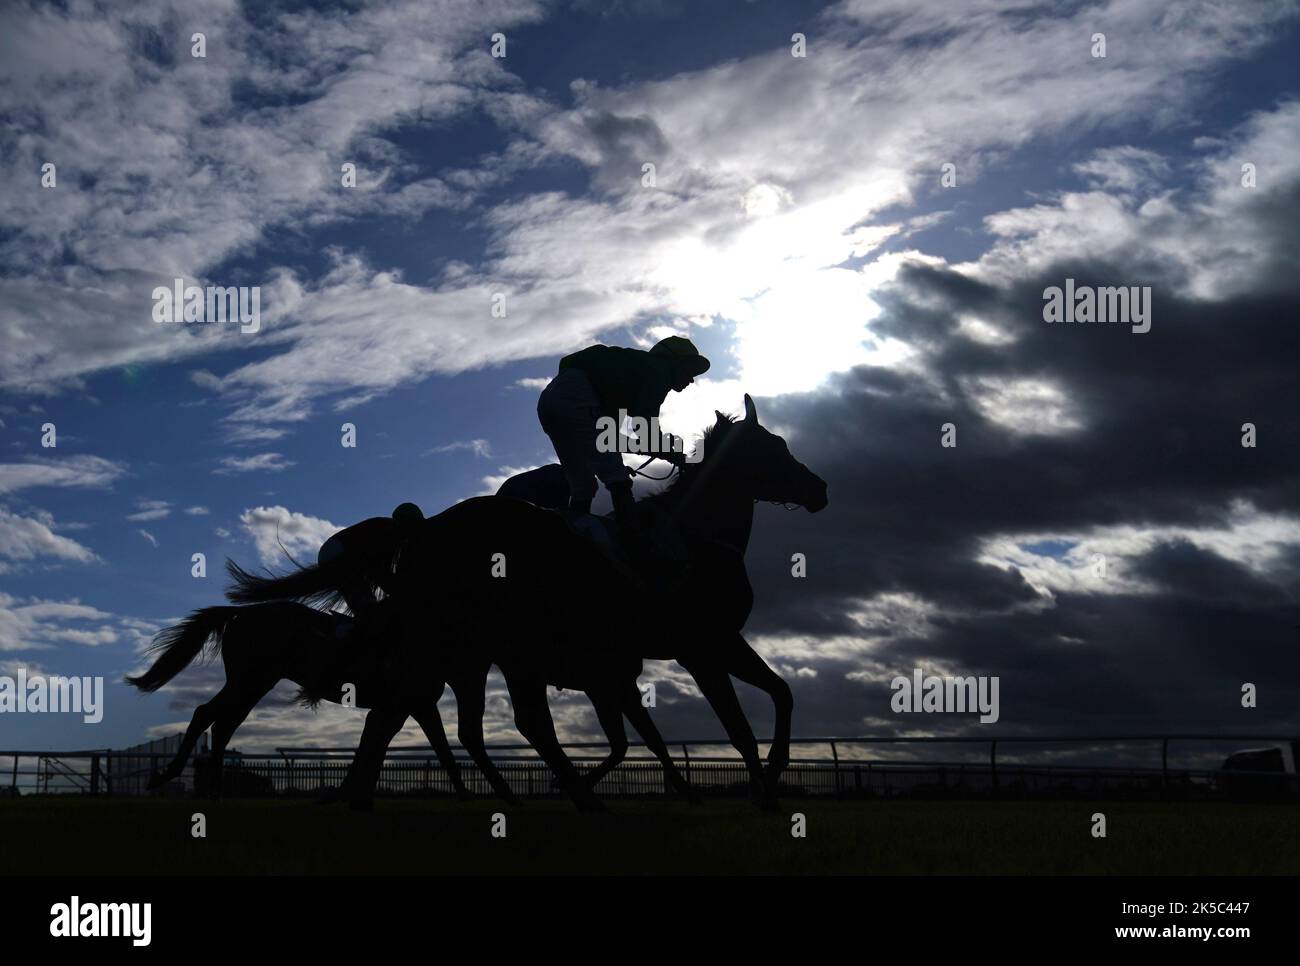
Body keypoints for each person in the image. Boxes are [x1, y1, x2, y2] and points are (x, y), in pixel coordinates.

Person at [536, 336, 710, 536]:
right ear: (673, 362)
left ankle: (572, 538)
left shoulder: (627, 376)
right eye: (689, 370)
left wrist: (660, 450)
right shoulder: (659, 371)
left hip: (549, 401)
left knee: (583, 485)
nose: (691, 379)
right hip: (577, 395)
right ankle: (633, 542)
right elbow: (644, 427)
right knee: (615, 475)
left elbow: (608, 439)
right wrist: (670, 453)